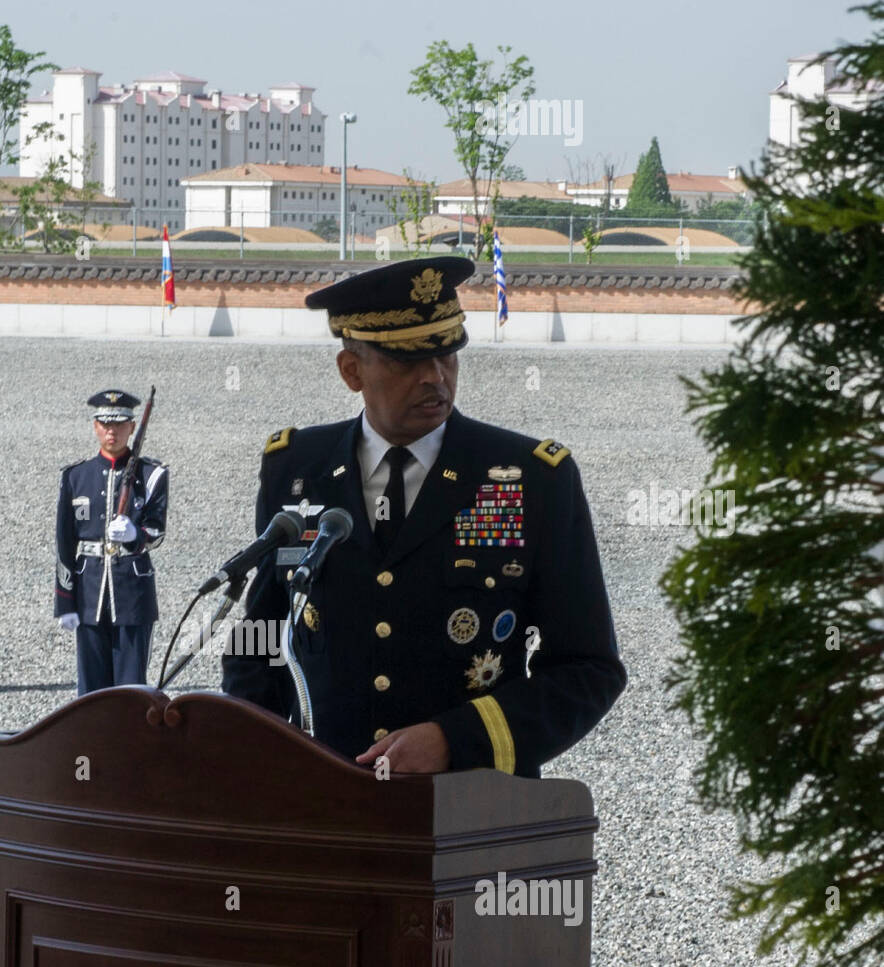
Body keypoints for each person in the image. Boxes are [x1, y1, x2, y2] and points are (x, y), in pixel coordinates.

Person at [220, 255, 626, 777]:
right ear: (352, 370)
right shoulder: (297, 469)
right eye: (406, 361)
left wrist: (456, 741)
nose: (435, 379)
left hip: (469, 803)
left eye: (447, 357)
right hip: (328, 801)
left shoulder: (531, 479)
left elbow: (587, 668)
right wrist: (260, 763)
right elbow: (262, 640)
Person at [54, 389, 168, 694]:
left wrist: (135, 536)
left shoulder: (152, 474)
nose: (111, 431)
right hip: (89, 593)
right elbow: (64, 544)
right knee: (90, 692)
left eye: (119, 424)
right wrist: (64, 601)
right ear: (95, 426)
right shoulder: (76, 476)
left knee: (131, 691)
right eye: (105, 424)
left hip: (132, 596)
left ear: (131, 427)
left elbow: (157, 532)